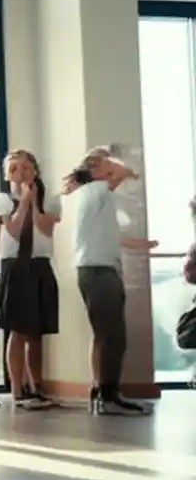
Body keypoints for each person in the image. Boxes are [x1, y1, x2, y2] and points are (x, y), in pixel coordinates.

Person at [64, 146, 156, 415]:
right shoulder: (95, 191)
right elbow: (124, 173)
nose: (111, 167)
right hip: (98, 272)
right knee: (113, 336)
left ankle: (102, 392)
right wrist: (115, 165)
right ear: (95, 170)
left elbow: (106, 236)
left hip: (99, 270)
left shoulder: (94, 197)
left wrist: (139, 244)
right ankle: (109, 397)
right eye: (105, 164)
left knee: (105, 335)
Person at [0, 150, 60, 409]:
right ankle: (17, 389)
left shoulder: (50, 199)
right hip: (15, 266)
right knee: (18, 329)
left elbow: (46, 227)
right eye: (14, 168)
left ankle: (37, 386)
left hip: (40, 264)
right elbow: (11, 229)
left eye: (26, 167)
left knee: (37, 332)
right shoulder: (2, 199)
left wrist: (33, 201)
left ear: (35, 170)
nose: (21, 172)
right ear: (7, 174)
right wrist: (22, 201)